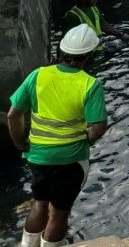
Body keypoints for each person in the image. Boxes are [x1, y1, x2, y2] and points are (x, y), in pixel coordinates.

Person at [7, 24, 108, 247]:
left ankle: (27, 245)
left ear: (61, 52)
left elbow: (14, 115)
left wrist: (21, 144)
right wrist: (87, 140)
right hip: (70, 160)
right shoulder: (90, 85)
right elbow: (98, 126)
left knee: (40, 202)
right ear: (88, 56)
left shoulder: (38, 76)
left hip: (37, 157)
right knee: (60, 213)